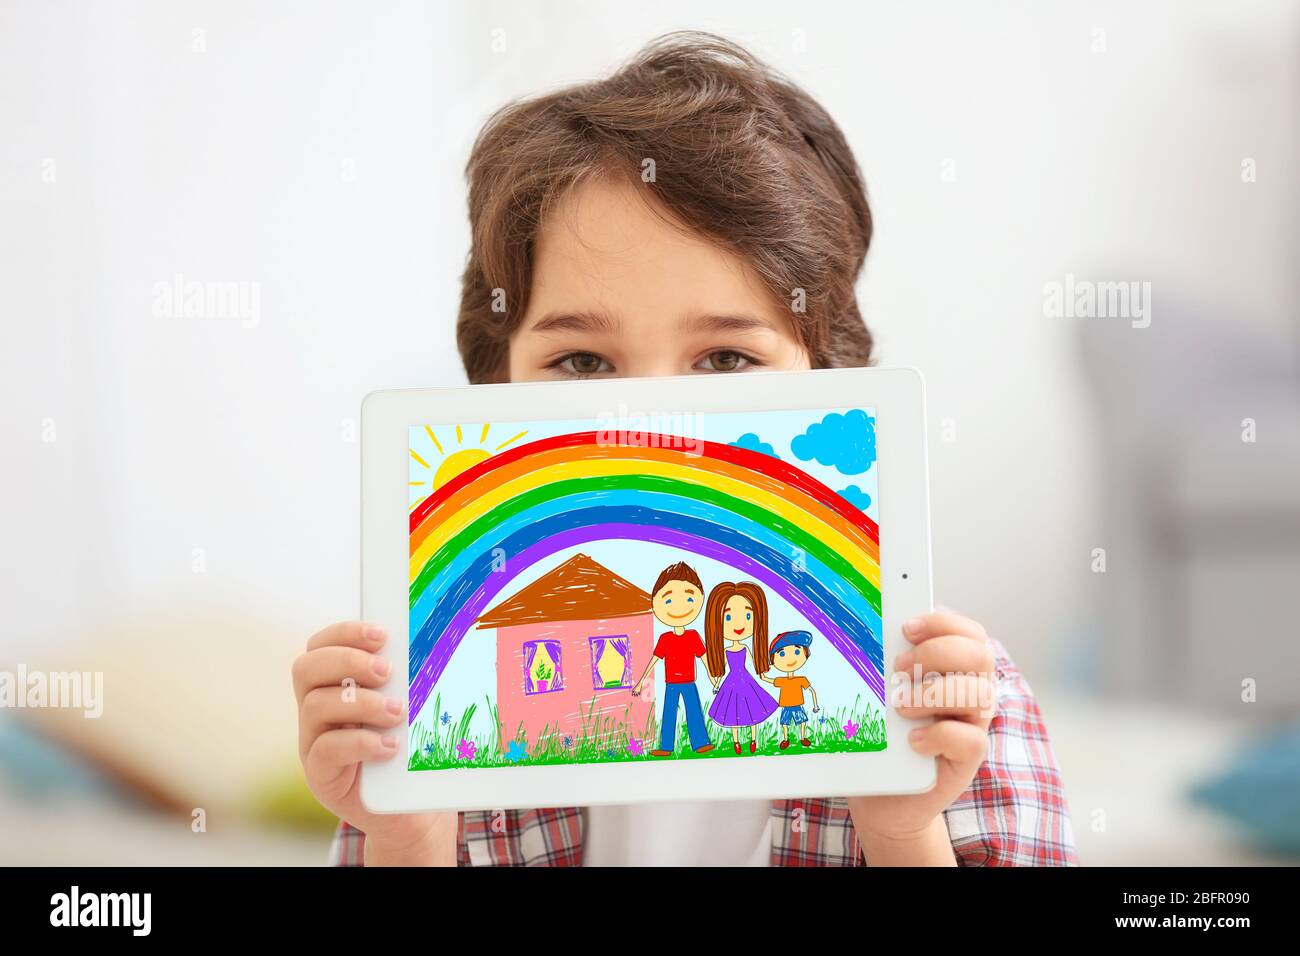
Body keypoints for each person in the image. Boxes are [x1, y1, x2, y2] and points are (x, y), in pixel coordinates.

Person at [294, 31, 1076, 866]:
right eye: (583, 363)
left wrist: (903, 830)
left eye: (727, 359)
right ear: (495, 386)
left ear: (831, 374)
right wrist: (407, 836)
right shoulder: (431, 709)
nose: (652, 424)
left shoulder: (950, 701)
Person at [631, 562, 716, 756]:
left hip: (689, 682)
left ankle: (701, 743)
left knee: (694, 712)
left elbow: (704, 660)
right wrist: (640, 684)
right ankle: (666, 747)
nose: (679, 607)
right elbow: (653, 661)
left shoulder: (693, 636)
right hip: (671, 683)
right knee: (669, 714)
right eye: (668, 601)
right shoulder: (665, 639)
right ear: (656, 604)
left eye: (688, 598)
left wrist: (712, 679)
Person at [704, 581, 778, 754]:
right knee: (733, 711)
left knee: (753, 709)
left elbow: (754, 664)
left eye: (748, 616)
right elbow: (721, 667)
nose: (738, 624)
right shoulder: (725, 650)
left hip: (746, 680)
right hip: (731, 682)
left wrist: (766, 677)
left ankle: (753, 739)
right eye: (728, 617)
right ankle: (736, 741)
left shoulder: (745, 648)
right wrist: (716, 683)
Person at [762, 630, 820, 749]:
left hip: (798, 706)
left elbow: (812, 691)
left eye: (797, 651)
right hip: (786, 706)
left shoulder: (801, 680)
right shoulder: (781, 680)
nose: (790, 659)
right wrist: (762, 673)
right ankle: (785, 739)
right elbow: (768, 680)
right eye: (782, 654)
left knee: (802, 723)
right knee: (784, 724)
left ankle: (803, 738)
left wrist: (815, 705)